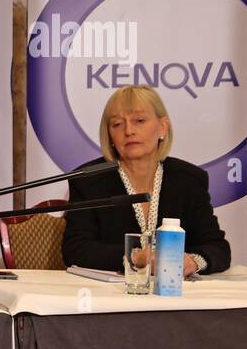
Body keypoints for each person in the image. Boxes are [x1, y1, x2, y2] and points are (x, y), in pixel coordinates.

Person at [62, 85, 230, 276]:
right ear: (109, 136)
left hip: (176, 296)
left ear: (162, 128)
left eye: (139, 121)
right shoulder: (89, 180)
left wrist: (193, 261)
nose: (129, 131)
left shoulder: (189, 180)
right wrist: (135, 257)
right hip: (110, 298)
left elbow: (218, 247)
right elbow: (76, 250)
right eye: (117, 124)